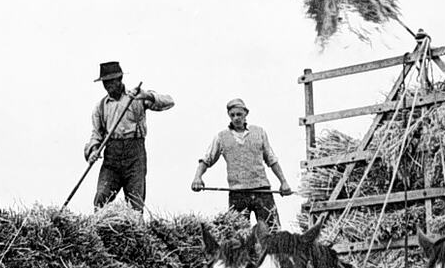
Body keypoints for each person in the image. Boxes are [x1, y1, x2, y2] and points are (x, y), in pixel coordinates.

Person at [84, 61, 174, 212]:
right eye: (105, 82)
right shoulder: (101, 107)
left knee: (135, 203)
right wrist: (93, 150)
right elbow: (96, 135)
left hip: (135, 155)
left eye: (111, 81)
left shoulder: (137, 97)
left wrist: (147, 95)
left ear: (119, 79)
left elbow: (169, 102)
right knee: (101, 198)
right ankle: (98, 232)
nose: (108, 86)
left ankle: (137, 231)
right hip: (112, 156)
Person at [191, 98, 294, 226]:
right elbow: (206, 160)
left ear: (246, 114)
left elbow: (272, 159)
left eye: (239, 114)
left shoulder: (259, 132)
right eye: (232, 115)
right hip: (238, 194)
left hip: (262, 191)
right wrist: (197, 177)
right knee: (238, 236)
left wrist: (284, 182)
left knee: (272, 232)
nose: (236, 118)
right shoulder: (221, 137)